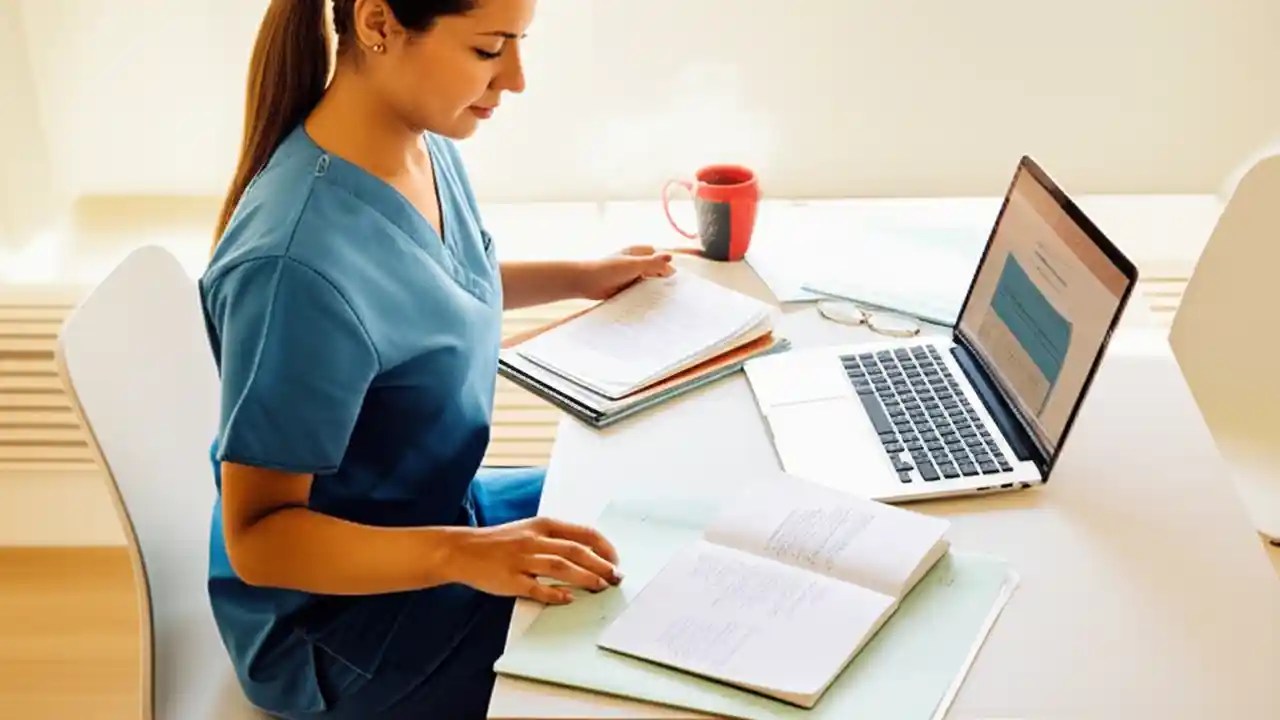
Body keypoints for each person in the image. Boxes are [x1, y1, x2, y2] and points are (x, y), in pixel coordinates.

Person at [200, 1, 674, 717]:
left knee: (652, 504)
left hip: (439, 519)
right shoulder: (291, 268)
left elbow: (431, 290)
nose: (514, 79)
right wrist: (463, 555)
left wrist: (579, 276)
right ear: (379, 24)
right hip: (339, 633)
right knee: (646, 645)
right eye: (490, 49)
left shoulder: (418, 140)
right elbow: (260, 541)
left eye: (519, 44)